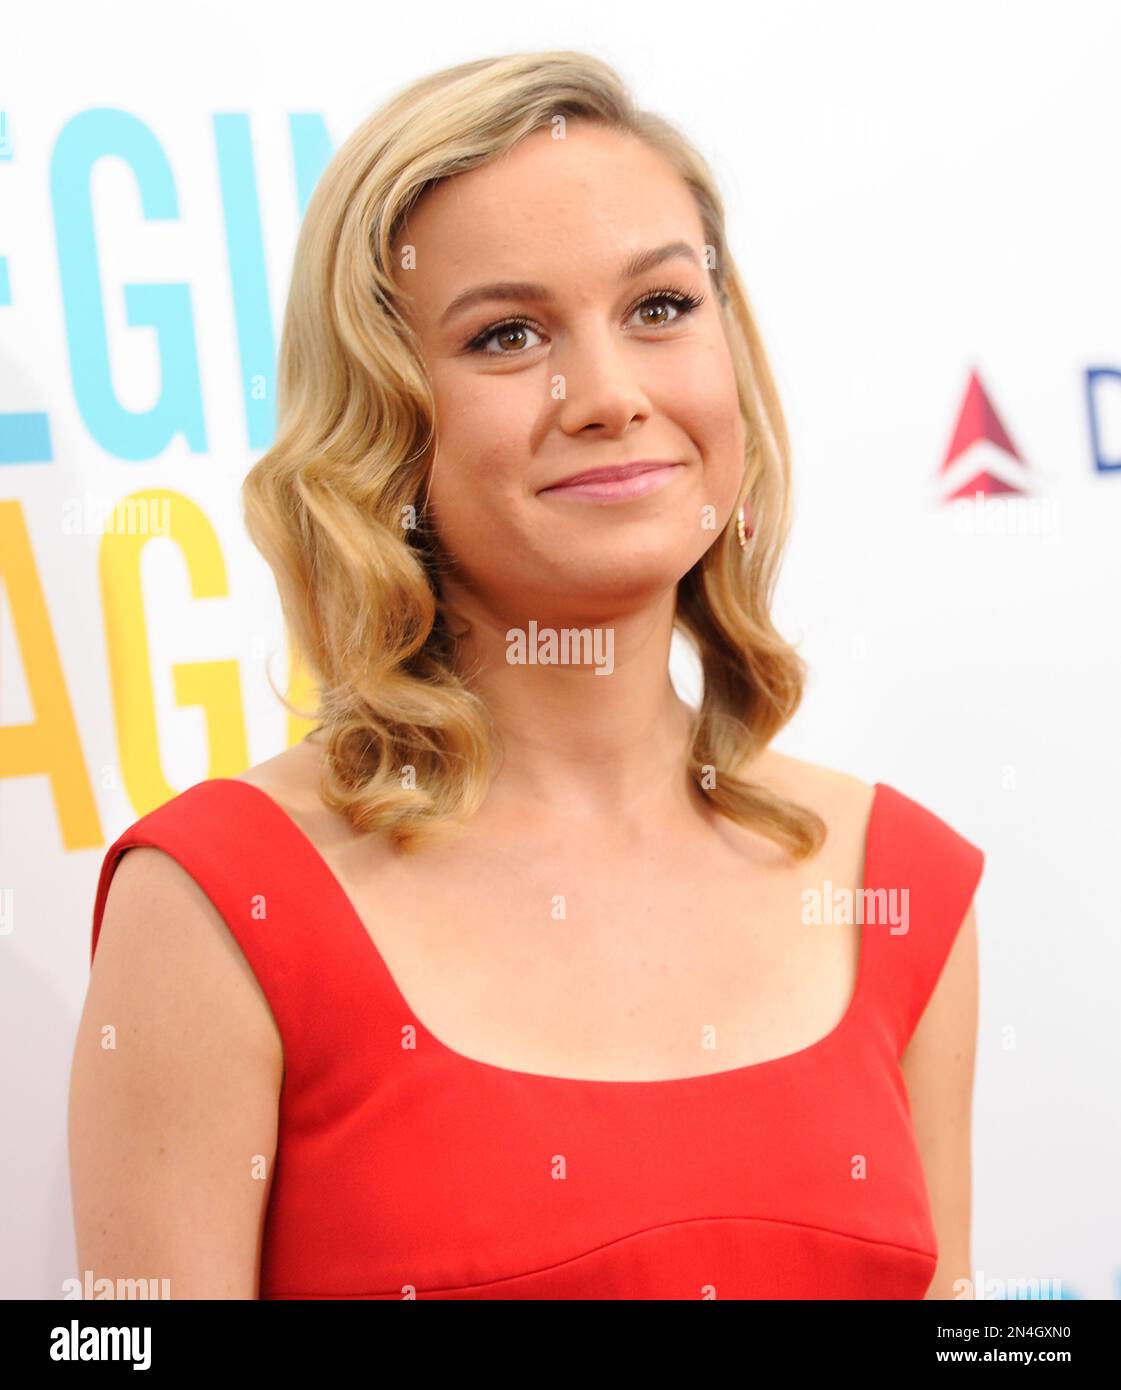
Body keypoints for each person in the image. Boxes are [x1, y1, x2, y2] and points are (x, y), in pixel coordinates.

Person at [69, 50, 984, 1300]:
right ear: (384, 418)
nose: (605, 395)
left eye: (659, 308)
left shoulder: (895, 882)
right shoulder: (225, 902)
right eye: (506, 335)